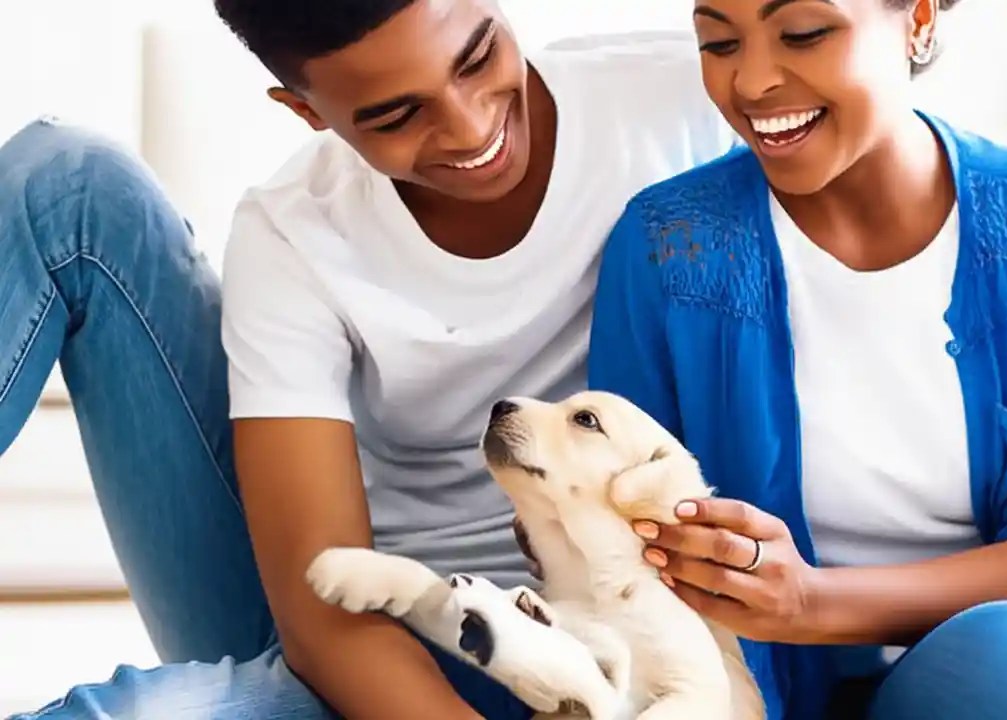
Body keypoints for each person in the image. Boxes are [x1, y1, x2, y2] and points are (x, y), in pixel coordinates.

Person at [0, 1, 734, 718]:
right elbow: (321, 623)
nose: (470, 125)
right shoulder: (294, 232)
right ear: (308, 112)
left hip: (635, 650)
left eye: (477, 57)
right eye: (395, 115)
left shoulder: (684, 103)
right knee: (65, 176)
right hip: (374, 641)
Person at [584, 0, 1007, 718]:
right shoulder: (669, 248)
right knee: (1000, 655)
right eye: (718, 42)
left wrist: (810, 602)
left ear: (917, 17)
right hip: (862, 688)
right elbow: (626, 540)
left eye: (803, 33)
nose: (753, 81)